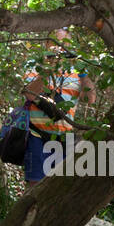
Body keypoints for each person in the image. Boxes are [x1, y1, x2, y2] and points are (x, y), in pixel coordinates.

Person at [20, 28, 98, 186]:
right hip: (37, 135)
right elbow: (29, 94)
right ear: (47, 44)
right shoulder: (35, 66)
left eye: (64, 44)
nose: (59, 49)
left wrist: (82, 71)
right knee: (35, 186)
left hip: (64, 138)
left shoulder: (76, 73)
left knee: (61, 187)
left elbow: (91, 98)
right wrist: (47, 70)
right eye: (55, 43)